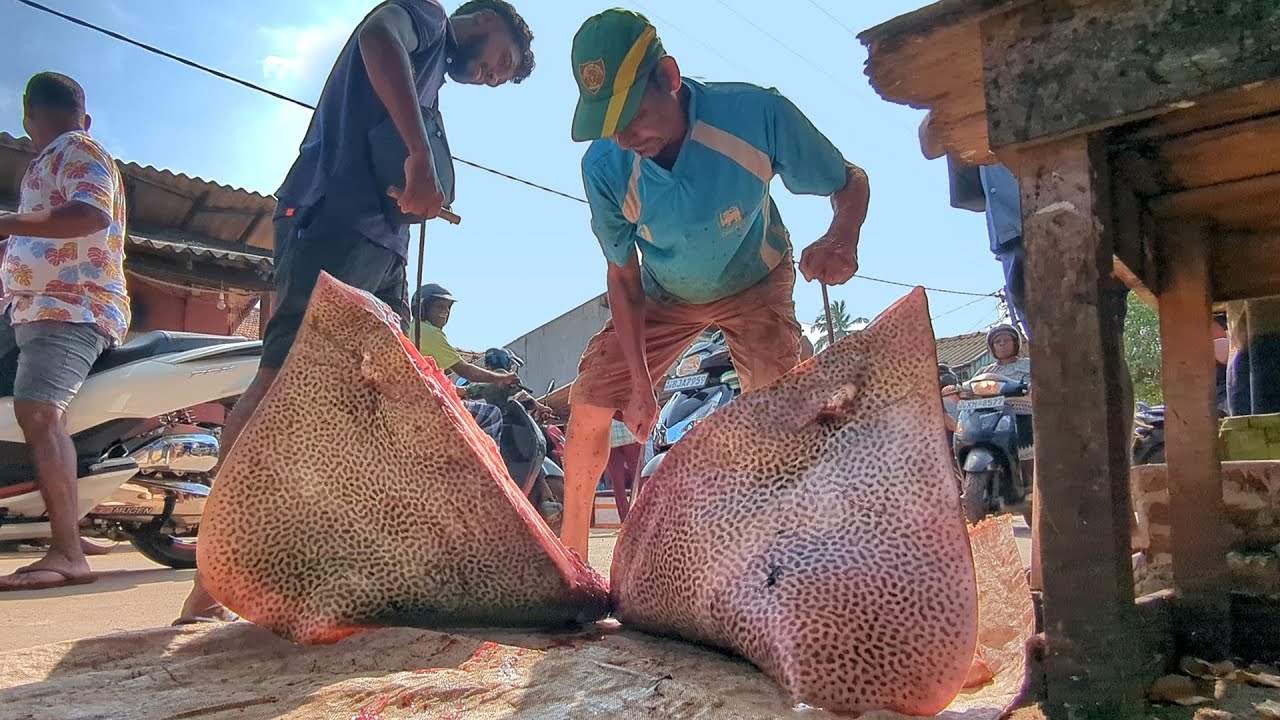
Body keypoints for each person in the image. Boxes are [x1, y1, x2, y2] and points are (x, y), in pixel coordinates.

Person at [176, 0, 536, 623]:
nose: (487, 77)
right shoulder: (424, 18)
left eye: (497, 80)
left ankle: (336, 557)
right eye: (498, 62)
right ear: (482, 19)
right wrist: (421, 159)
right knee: (281, 381)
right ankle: (212, 575)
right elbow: (376, 36)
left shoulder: (430, 85)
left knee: (383, 398)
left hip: (382, 249)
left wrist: (423, 194)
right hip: (334, 221)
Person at [559, 9, 871, 558]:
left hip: (755, 281)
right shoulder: (605, 168)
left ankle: (781, 555)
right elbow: (623, 279)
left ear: (670, 77)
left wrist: (841, 236)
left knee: (779, 409)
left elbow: (850, 182)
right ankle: (572, 562)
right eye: (609, 124)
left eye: (633, 113)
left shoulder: (755, 115)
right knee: (589, 400)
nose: (626, 136)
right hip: (661, 295)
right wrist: (638, 382)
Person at [0, 72, 130, 591]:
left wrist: (7, 222)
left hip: (71, 307)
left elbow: (90, 214)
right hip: (33, 310)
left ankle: (68, 553)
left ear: (28, 116)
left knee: (37, 409)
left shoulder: (75, 149)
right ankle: (56, 521)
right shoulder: (49, 162)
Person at [413, 284, 520, 387]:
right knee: (493, 407)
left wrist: (472, 391)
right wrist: (504, 378)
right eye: (439, 306)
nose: (446, 311)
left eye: (448, 307)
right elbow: (466, 371)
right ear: (422, 308)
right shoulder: (431, 334)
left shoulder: (410, 328)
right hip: (422, 397)